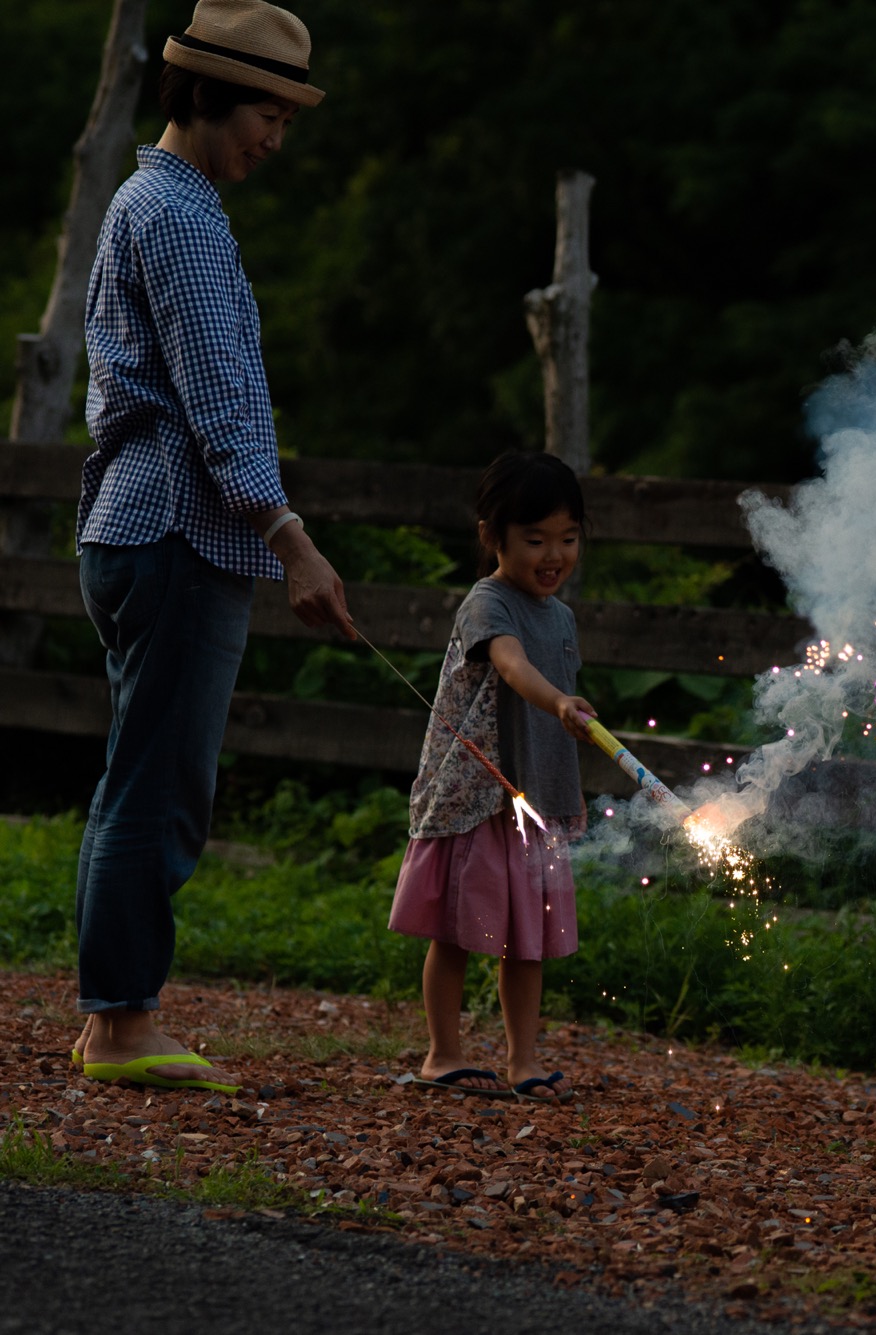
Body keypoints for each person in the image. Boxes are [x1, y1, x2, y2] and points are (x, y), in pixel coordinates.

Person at [74, 0, 349, 1095]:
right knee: (161, 785)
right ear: (206, 97)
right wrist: (293, 542)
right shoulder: (179, 217)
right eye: (267, 114)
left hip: (138, 529)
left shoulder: (151, 202)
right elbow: (220, 403)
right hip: (180, 531)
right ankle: (121, 1024)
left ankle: (113, 1012)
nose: (275, 139)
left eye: (286, 117)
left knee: (136, 775)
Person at [388, 452, 594, 1102]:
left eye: (567, 538)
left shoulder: (560, 615)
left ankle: (522, 1059)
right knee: (454, 931)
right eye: (535, 539)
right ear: (492, 537)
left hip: (538, 802)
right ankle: (442, 1053)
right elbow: (509, 665)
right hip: (478, 799)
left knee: (526, 942)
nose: (553, 554)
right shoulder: (488, 602)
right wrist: (559, 701)